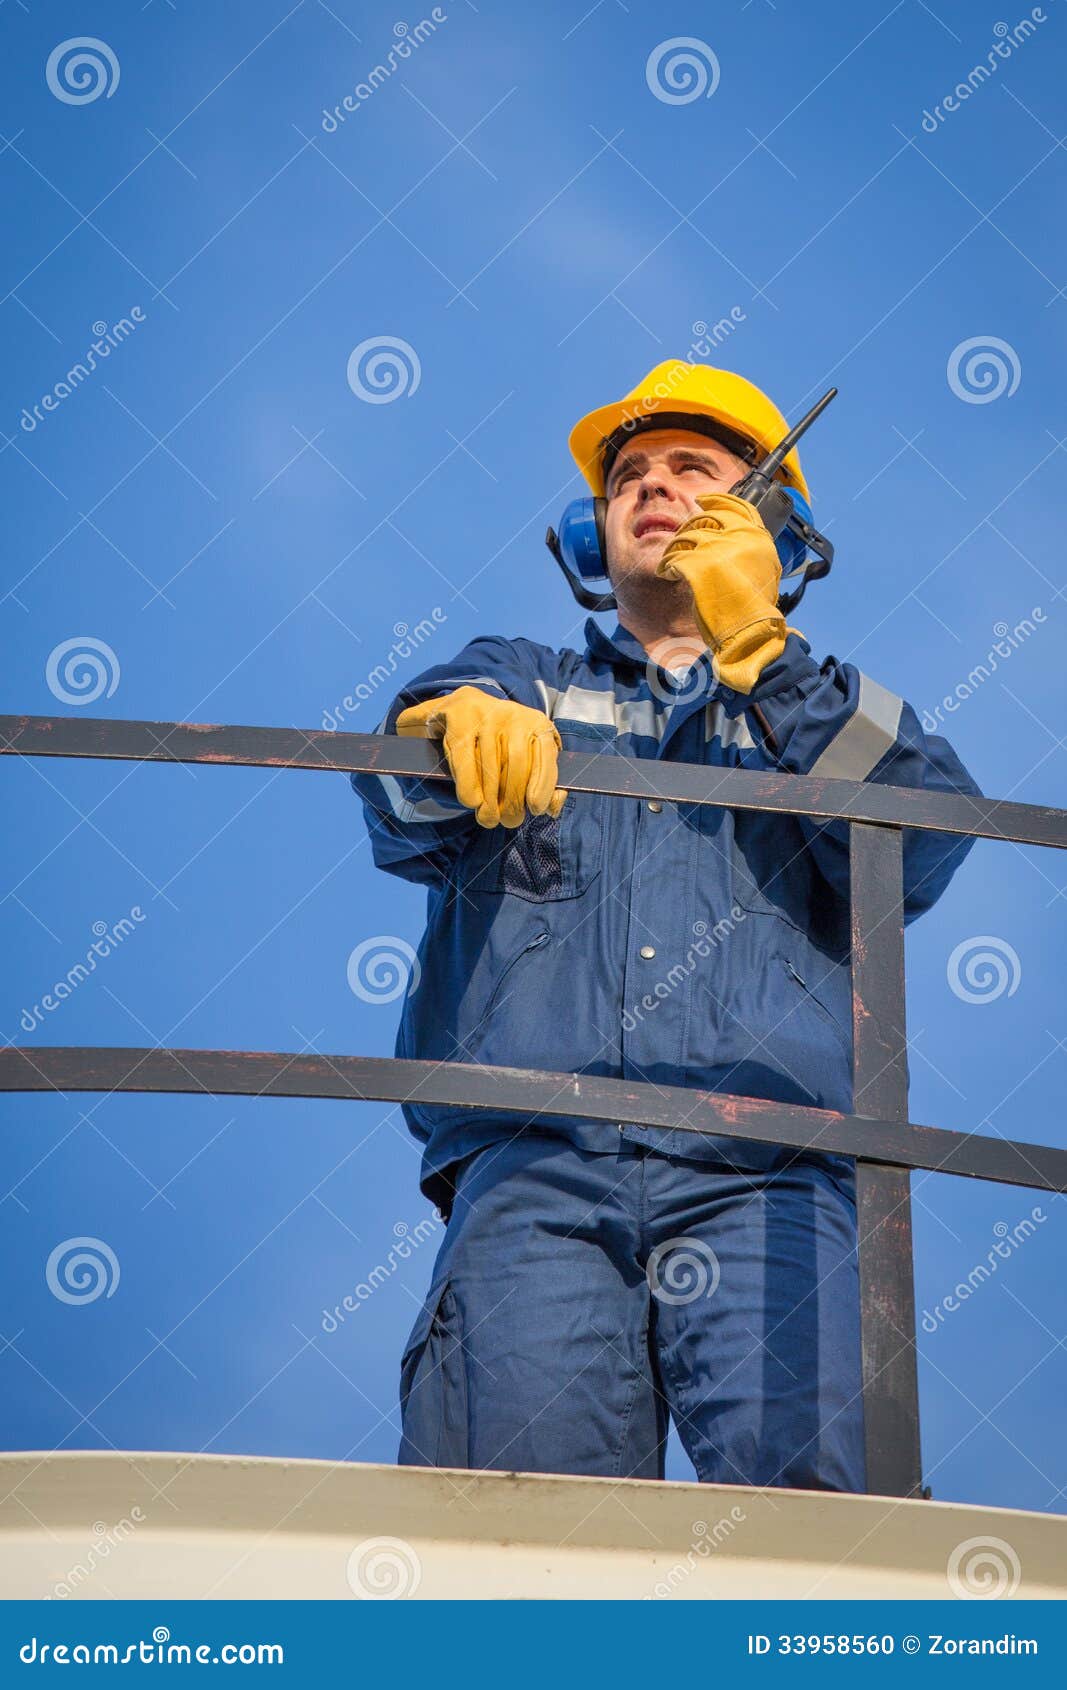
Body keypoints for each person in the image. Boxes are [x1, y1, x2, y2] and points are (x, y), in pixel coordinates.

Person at [349, 361, 982, 1491]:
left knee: (824, 1543)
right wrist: (440, 727)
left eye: (693, 469)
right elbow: (399, 810)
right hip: (533, 1177)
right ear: (590, 535)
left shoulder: (827, 710)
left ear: (768, 521)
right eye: (626, 476)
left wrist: (766, 658)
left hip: (770, 1175)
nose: (650, 487)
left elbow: (923, 840)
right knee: (509, 1549)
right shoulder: (515, 680)